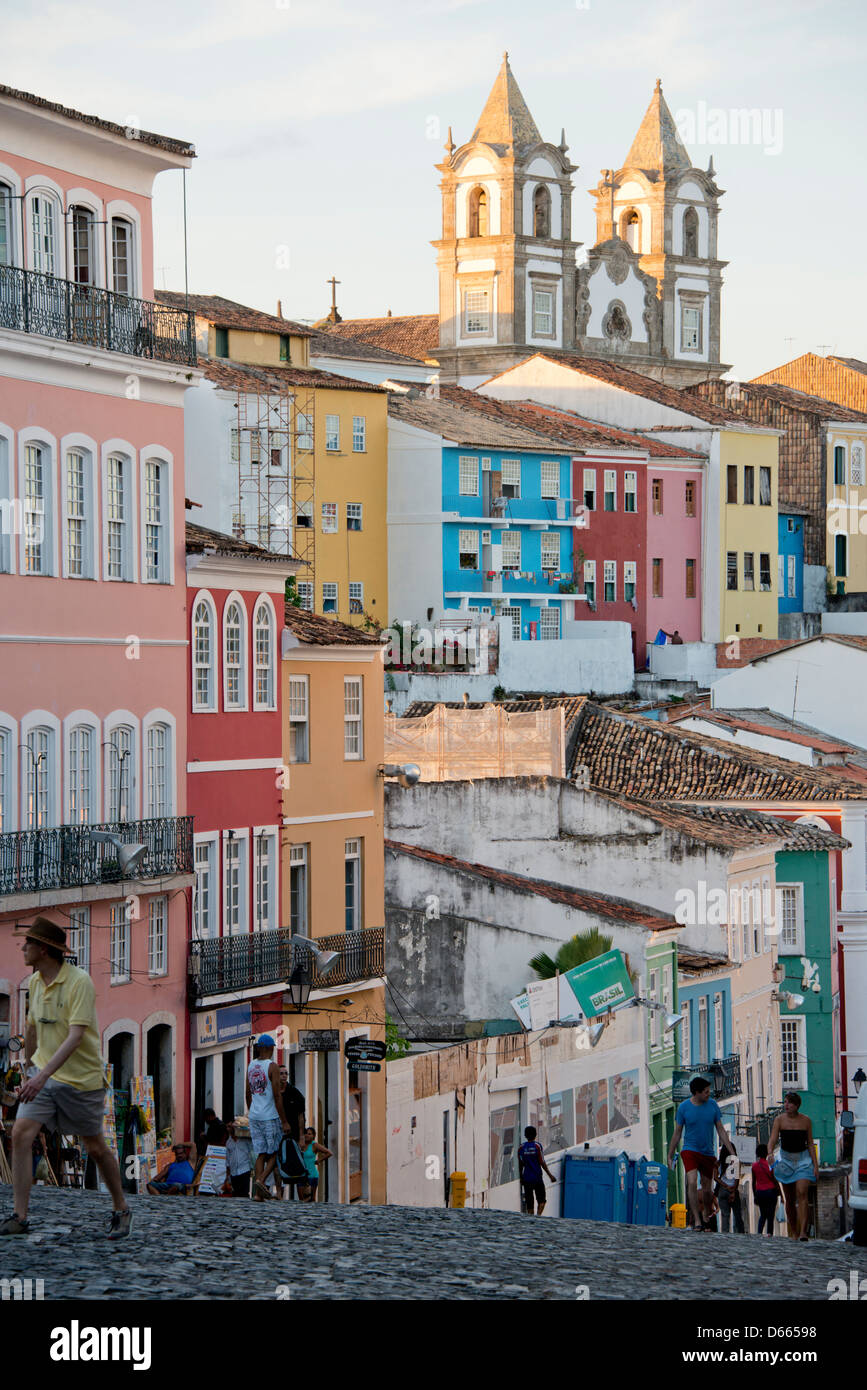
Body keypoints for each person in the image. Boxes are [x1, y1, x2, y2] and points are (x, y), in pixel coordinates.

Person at [0, 918, 132, 1238]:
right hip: (44, 1076)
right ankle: (20, 1216)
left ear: (43, 949)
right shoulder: (34, 982)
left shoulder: (79, 982)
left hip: (80, 1080)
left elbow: (75, 1038)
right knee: (21, 1133)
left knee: (96, 1147)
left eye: (28, 943)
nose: (23, 948)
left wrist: (40, 1076)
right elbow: (32, 1028)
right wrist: (30, 1068)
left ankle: (121, 1209)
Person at [668, 1076, 737, 1233]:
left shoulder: (712, 1105)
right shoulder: (684, 1108)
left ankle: (706, 1212)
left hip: (707, 1152)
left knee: (707, 1190)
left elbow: (720, 1129)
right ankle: (697, 1220)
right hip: (690, 1150)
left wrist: (731, 1151)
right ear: (696, 1093)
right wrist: (670, 1154)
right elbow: (677, 1132)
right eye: (706, 1092)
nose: (709, 1094)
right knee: (692, 1182)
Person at [767, 1092, 818, 1241]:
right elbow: (773, 1139)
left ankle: (803, 1232)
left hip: (803, 1161)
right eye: (785, 1102)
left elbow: (810, 1143)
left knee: (802, 1192)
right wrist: (770, 1152)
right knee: (789, 1198)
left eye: (789, 1103)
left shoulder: (806, 1121)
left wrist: (815, 1165)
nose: (786, 1105)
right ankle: (794, 1231)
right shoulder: (779, 1120)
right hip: (786, 1160)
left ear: (797, 1105)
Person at [245, 1035, 290, 1201]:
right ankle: (261, 1180)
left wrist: (253, 1111)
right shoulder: (273, 1067)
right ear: (270, 1048)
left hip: (255, 1116)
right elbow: (277, 1096)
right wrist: (284, 1121)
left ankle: (257, 1194)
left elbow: (248, 1093)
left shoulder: (251, 1065)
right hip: (269, 1117)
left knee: (260, 1153)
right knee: (274, 1153)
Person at [274, 1065, 306, 1200]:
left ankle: (303, 1196)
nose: (284, 1076)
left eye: (286, 1073)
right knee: (276, 1162)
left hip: (292, 1133)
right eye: (281, 1073)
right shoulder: (273, 1092)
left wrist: (302, 1136)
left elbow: (300, 1116)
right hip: (275, 1131)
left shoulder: (295, 1093)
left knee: (296, 1161)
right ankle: (279, 1192)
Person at [517, 1125, 556, 1215]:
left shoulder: (521, 1148)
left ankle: (531, 1219)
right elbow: (542, 1162)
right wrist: (550, 1175)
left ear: (525, 1135)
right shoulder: (537, 1146)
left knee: (529, 1204)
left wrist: (521, 1178)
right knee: (542, 1200)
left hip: (526, 1179)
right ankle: (538, 1216)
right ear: (535, 1135)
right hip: (537, 1178)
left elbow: (520, 1164)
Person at [751, 1142, 780, 1236]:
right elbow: (775, 1179)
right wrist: (779, 1191)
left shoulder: (754, 1166)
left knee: (763, 1214)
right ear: (766, 1153)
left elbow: (753, 1182)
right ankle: (769, 1233)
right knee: (770, 1215)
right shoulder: (771, 1165)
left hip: (760, 1192)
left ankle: (759, 1232)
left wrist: (755, 1195)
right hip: (771, 1191)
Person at [297, 1126, 332, 1203]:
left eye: (309, 1134)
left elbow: (329, 1153)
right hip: (300, 1175)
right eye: (305, 1133)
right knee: (301, 1200)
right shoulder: (300, 1144)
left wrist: (318, 1160)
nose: (307, 1135)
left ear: (313, 1136)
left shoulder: (314, 1145)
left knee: (311, 1199)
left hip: (312, 1175)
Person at [715, 1149, 745, 1233]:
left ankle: (725, 1233)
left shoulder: (718, 1163)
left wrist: (725, 1185)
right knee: (737, 1214)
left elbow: (715, 1177)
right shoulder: (736, 1162)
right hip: (733, 1189)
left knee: (725, 1215)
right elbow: (737, 1179)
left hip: (723, 1190)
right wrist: (733, 1191)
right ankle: (740, 1233)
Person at [225, 1118, 254, 1198]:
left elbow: (253, 1149)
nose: (228, 1129)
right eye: (227, 1127)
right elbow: (227, 1161)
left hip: (244, 1169)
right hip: (234, 1172)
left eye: (230, 1126)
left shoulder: (245, 1139)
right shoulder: (228, 1142)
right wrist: (227, 1177)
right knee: (235, 1194)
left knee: (244, 1194)